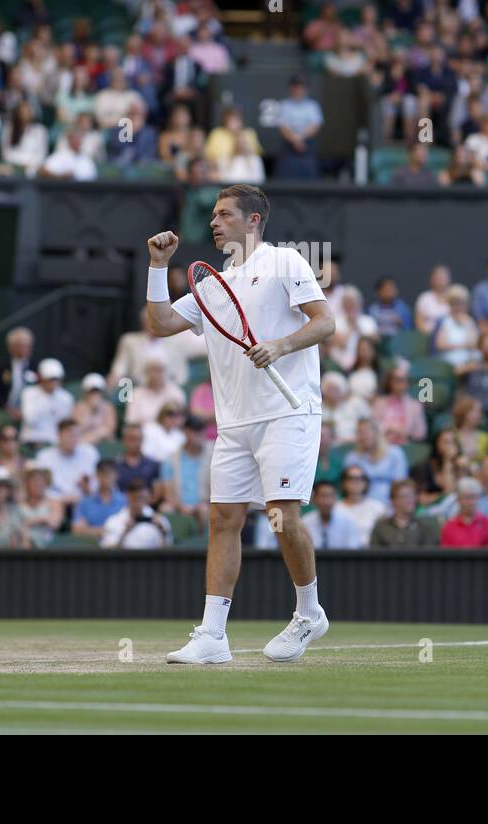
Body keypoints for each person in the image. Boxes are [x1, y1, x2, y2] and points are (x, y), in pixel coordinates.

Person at [145, 184, 335, 665]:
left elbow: (324, 322)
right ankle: (212, 635)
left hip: (288, 413)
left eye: (225, 214)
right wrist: (156, 266)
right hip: (233, 423)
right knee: (223, 520)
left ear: (253, 221)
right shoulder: (210, 285)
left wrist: (280, 345)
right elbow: (161, 323)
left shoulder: (286, 262)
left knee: (281, 517)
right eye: (213, 214)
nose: (214, 221)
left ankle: (309, 613)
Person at [100, 478, 172, 549]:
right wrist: (125, 533)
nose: (138, 503)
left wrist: (162, 531)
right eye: (134, 498)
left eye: (141, 498)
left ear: (149, 497)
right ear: (127, 496)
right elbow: (108, 553)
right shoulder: (113, 521)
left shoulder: (161, 521)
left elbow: (168, 553)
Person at [369, 479, 441, 547]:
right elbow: (374, 554)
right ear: (393, 500)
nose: (410, 500)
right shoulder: (381, 527)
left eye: (412, 495)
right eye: (405, 496)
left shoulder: (426, 525)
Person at [0, 326, 38, 419]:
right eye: (20, 346)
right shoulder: (1, 368)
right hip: (4, 412)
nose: (24, 350)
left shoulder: (37, 367)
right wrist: (7, 408)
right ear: (11, 347)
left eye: (27, 346)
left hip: (31, 412)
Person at [302, 480, 364, 549]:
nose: (326, 501)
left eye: (330, 496)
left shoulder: (348, 522)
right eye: (323, 496)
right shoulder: (305, 523)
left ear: (336, 498)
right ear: (314, 499)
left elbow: (354, 552)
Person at [440, 477, 488, 547]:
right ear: (459, 499)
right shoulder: (448, 527)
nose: (470, 502)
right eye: (466, 497)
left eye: (474, 497)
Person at [336, 467, 387, 547]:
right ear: (343, 483)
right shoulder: (335, 509)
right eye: (351, 478)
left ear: (366, 483)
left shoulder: (378, 508)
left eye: (360, 478)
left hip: (372, 553)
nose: (355, 482)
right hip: (342, 553)